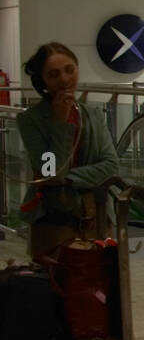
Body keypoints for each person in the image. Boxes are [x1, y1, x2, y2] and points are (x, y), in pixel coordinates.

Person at [17, 42, 122, 258]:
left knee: (101, 281)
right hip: (53, 219)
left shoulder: (92, 114)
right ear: (43, 82)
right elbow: (49, 171)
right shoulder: (30, 120)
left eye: (69, 70)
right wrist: (60, 122)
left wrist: (67, 178)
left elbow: (110, 164)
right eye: (54, 75)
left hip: (97, 214)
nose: (64, 79)